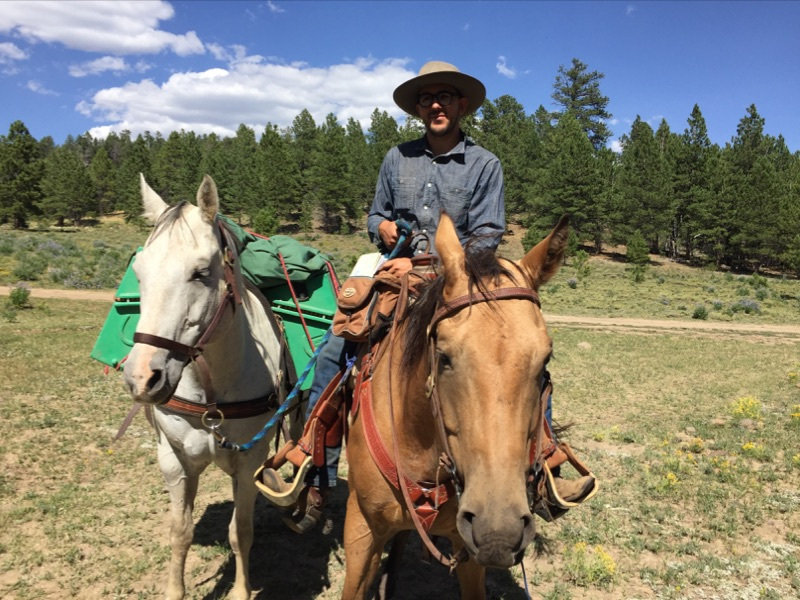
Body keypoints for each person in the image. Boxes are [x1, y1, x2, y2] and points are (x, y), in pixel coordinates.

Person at [284, 61, 594, 533]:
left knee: (521, 361)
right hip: (392, 269)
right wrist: (381, 227)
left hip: (462, 277)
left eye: (445, 96)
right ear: (418, 109)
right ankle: (315, 471)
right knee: (335, 347)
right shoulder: (397, 157)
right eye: (427, 99)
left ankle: (543, 465)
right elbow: (375, 215)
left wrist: (432, 260)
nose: (435, 105)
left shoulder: (485, 163)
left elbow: (488, 234)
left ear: (461, 105)